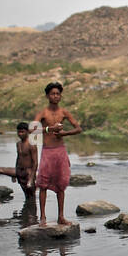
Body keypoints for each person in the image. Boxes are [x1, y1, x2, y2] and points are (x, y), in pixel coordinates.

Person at [32, 82, 82, 226]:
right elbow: (32, 130)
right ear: (47, 96)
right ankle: (42, 218)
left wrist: (64, 133)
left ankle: (61, 216)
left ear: (60, 96)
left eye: (58, 94)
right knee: (43, 184)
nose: (55, 96)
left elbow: (78, 129)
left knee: (61, 184)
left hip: (60, 151)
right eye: (53, 94)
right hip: (47, 151)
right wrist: (49, 129)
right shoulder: (43, 113)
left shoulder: (64, 113)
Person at [0, 122, 39, 201]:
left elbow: (35, 163)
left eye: (22, 132)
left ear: (28, 132)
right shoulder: (18, 144)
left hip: (28, 172)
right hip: (19, 170)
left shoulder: (32, 145)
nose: (20, 134)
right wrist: (14, 175)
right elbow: (18, 158)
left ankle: (31, 211)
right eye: (18, 132)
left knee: (31, 196)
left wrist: (31, 179)